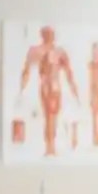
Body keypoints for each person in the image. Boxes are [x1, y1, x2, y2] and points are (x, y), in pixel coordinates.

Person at [18, 26, 80, 158]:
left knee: (52, 116)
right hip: (46, 87)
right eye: (47, 34)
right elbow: (26, 71)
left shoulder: (59, 52)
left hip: (54, 86)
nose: (49, 37)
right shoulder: (37, 51)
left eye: (50, 34)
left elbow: (69, 74)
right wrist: (21, 90)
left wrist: (75, 92)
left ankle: (51, 146)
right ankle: (49, 147)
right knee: (49, 116)